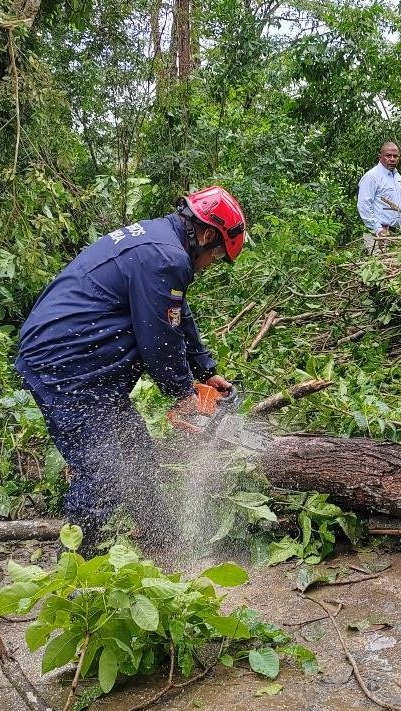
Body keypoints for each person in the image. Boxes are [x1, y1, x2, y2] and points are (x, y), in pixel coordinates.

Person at [14, 186, 247, 554]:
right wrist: (182, 393)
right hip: (66, 364)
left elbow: (175, 313)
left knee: (136, 453)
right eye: (217, 254)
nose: (211, 263)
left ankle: (162, 540)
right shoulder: (167, 256)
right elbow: (159, 337)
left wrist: (205, 370)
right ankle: (73, 566)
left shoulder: (162, 244)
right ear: (206, 235)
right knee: (103, 469)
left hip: (88, 367)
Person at [357, 141, 401, 252]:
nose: (392, 159)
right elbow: (364, 205)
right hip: (380, 235)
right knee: (380, 262)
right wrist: (378, 229)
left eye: (395, 156)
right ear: (380, 157)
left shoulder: (398, 177)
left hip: (397, 234)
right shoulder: (372, 176)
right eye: (388, 155)